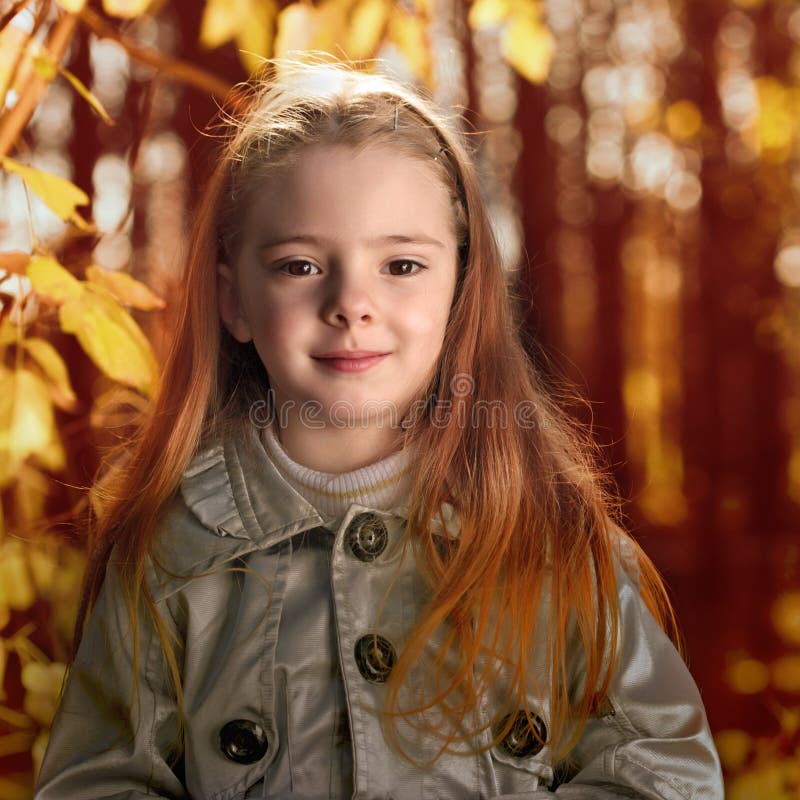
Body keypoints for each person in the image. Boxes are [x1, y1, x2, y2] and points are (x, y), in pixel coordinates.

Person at [35, 58, 724, 800]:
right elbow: (98, 781)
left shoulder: (546, 536)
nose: (351, 303)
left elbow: (662, 773)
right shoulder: (171, 552)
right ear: (234, 300)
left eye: (400, 264)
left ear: (461, 288)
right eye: (300, 266)